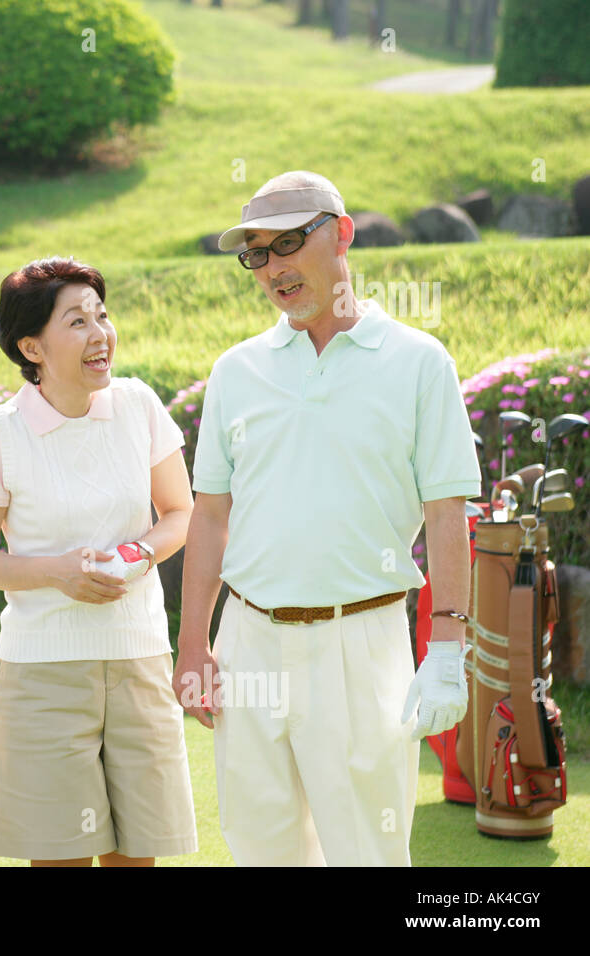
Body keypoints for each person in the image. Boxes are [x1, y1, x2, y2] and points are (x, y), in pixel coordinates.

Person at [173, 170, 480, 866]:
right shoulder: (236, 371)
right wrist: (193, 644)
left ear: (342, 234)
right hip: (247, 642)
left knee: (367, 853)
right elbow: (211, 517)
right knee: (261, 850)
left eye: (289, 243)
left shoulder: (419, 363)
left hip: (361, 641)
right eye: (257, 253)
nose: (275, 267)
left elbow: (445, 513)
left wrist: (449, 651)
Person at [0, 256, 198, 867]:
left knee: (137, 856)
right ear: (31, 345)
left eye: (102, 316)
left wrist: (140, 552)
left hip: (140, 658)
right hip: (42, 676)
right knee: (58, 857)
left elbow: (179, 513)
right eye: (77, 322)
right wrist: (56, 571)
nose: (100, 335)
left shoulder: (139, 404)